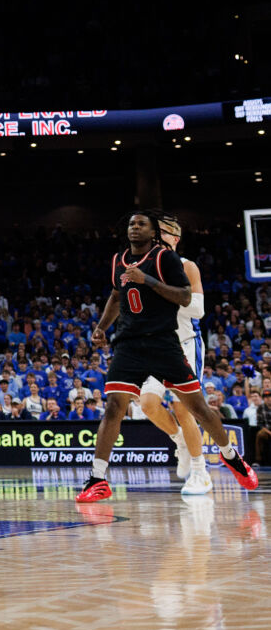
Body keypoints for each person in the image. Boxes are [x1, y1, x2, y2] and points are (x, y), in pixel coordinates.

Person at [77, 211, 257, 502]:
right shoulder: (122, 261)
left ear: (168, 236)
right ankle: (109, 473)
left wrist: (151, 285)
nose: (138, 228)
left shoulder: (181, 264)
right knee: (139, 404)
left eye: (149, 226)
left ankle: (205, 467)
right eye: (133, 224)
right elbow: (117, 295)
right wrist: (101, 327)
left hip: (178, 341)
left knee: (190, 408)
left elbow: (194, 306)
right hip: (133, 344)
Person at [130, 216, 210, 494]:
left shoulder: (187, 266)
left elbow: (198, 310)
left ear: (175, 239)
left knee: (183, 408)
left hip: (184, 345)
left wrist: (161, 292)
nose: (157, 236)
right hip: (155, 345)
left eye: (164, 232)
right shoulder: (143, 267)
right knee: (147, 404)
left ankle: (200, 472)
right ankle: (180, 441)